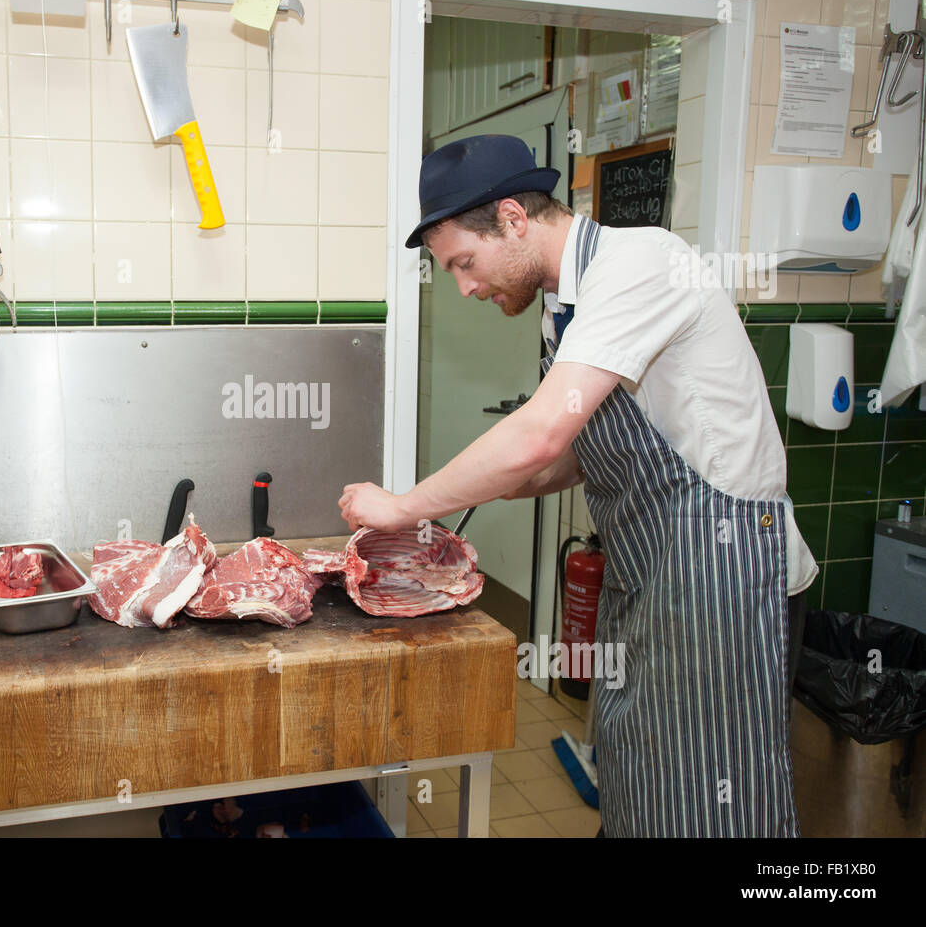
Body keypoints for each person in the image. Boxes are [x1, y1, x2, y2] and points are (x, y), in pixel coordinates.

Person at [339, 135, 817, 837]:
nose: (467, 289)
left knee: (713, 812)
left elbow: (538, 435)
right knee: (639, 791)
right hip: (656, 581)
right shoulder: (561, 307)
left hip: (727, 587)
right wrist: (494, 488)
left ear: (512, 217)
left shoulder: (642, 265)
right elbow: (569, 454)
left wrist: (404, 507)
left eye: (465, 264)